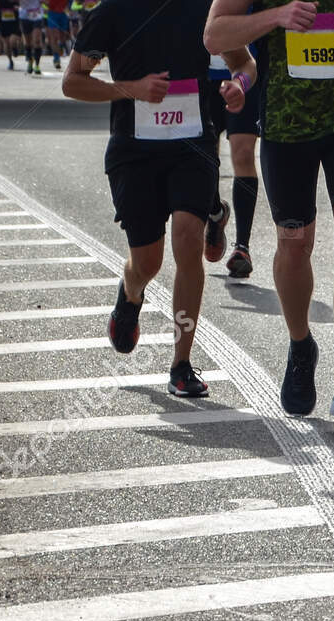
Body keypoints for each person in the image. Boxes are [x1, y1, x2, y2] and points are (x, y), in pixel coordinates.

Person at [62, 0, 256, 399]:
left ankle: (181, 364)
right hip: (134, 153)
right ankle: (130, 292)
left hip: (193, 145)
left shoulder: (206, 9)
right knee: (147, 261)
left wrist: (239, 86)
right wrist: (128, 89)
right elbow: (73, 80)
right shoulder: (112, 12)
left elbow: (246, 63)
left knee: (187, 239)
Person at [204, 0, 334, 421]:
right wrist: (276, 17)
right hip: (286, 126)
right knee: (294, 243)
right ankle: (301, 345)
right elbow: (214, 35)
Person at [203, 39, 265, 278]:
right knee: (204, 157)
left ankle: (242, 248)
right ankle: (216, 214)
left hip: (246, 74)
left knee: (243, 153)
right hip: (203, 78)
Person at [17, 0, 41, 74]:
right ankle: (30, 61)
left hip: (37, 14)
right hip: (24, 15)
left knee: (37, 40)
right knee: (28, 42)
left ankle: (37, 64)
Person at [42, 0, 66, 68]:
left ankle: (61, 48)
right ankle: (56, 58)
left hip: (63, 13)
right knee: (54, 37)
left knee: (63, 37)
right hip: (52, 14)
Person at [0, 6, 21, 72]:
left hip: (14, 21)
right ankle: (10, 61)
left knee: (13, 40)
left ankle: (15, 48)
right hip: (3, 21)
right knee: (6, 43)